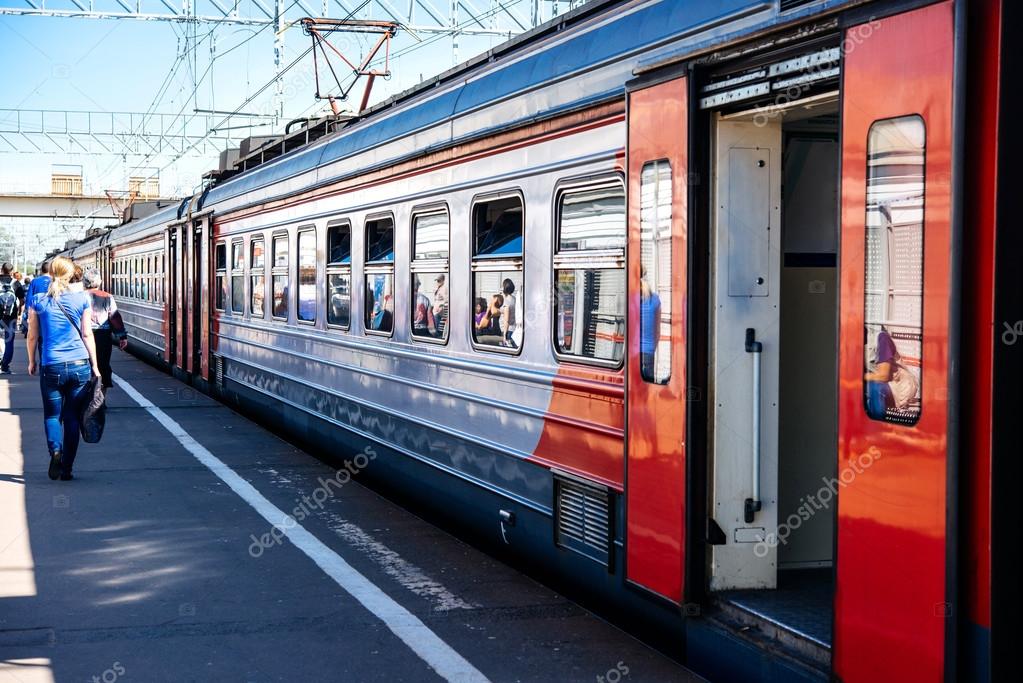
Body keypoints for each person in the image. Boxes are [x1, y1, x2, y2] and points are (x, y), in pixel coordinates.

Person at [26, 256, 102, 481]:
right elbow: (88, 334)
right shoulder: (82, 299)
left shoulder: (39, 300)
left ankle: (55, 451)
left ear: (51, 273)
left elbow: (32, 335)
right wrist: (95, 366)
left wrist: (32, 361)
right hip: (79, 365)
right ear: (70, 274)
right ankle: (67, 469)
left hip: (51, 365)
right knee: (71, 417)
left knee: (52, 415)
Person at [83, 267, 127, 390]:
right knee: (103, 365)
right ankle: (100, 398)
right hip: (103, 336)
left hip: (83, 335)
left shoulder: (79, 296)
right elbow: (114, 317)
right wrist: (122, 337)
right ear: (99, 281)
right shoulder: (107, 297)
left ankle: (87, 396)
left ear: (84, 282)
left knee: (86, 365)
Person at [864, 328, 898, 419]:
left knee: (874, 386)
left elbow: (884, 376)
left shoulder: (881, 338)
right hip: (872, 382)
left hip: (893, 385)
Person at [0, 262, 26, 374]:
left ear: (1, 269)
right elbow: (22, 301)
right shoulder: (16, 283)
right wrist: (20, 314)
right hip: (11, 316)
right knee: (9, 341)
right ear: (12, 271)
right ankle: (5, 366)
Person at [639, 266, 661, 382]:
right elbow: (658, 332)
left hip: (633, 353)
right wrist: (652, 348)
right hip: (649, 353)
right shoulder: (656, 299)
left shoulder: (631, 298)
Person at [500, 278, 518, 349]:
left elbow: (506, 319)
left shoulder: (507, 301)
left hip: (507, 331)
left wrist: (504, 335)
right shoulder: (514, 299)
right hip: (513, 329)